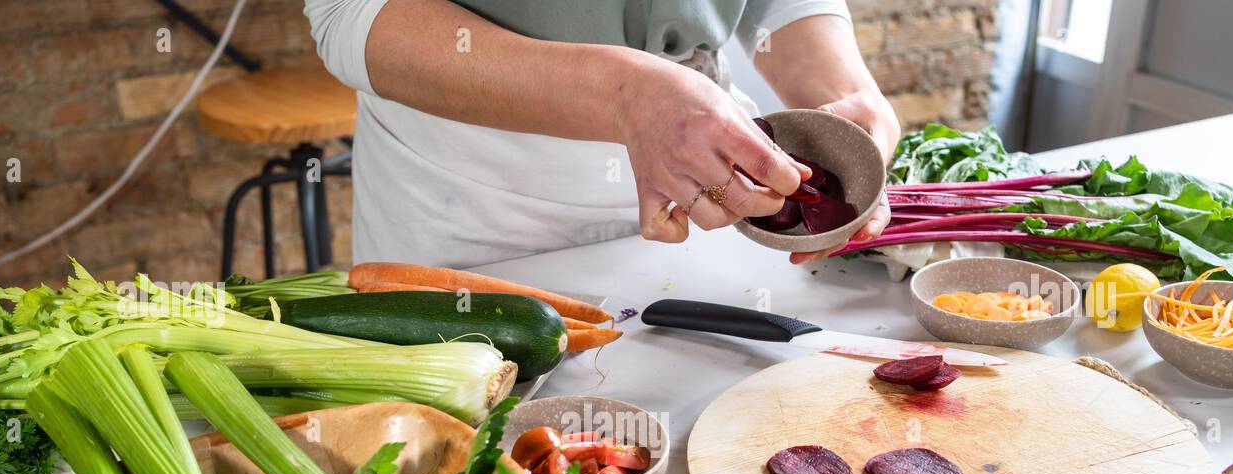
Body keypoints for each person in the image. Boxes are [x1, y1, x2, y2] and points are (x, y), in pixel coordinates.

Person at [306, 0, 900, 268]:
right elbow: (348, 13)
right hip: (476, 206)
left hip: (708, 189)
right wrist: (625, 94)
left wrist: (842, 96)